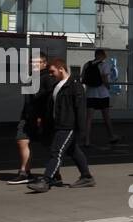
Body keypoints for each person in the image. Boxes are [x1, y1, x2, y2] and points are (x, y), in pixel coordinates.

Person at [28, 58, 95, 191]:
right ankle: (86, 177)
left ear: (61, 69)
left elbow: (80, 110)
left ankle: (46, 180)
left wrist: (81, 131)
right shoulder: (56, 86)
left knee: (56, 152)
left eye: (52, 71)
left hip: (67, 126)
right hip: (57, 125)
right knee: (73, 151)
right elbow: (49, 105)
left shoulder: (75, 86)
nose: (50, 74)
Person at [7, 53, 60, 186]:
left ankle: (55, 174)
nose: (33, 65)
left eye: (36, 62)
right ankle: (24, 173)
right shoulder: (31, 78)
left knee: (49, 146)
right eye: (31, 62)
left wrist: (42, 117)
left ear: (44, 64)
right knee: (21, 140)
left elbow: (51, 99)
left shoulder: (48, 78)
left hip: (41, 118)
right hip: (27, 117)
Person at [81, 48, 122, 148]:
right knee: (106, 117)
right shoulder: (104, 65)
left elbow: (83, 78)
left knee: (89, 118)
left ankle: (87, 140)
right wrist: (108, 87)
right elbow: (104, 79)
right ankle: (111, 136)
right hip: (103, 94)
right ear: (102, 55)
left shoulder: (87, 65)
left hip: (90, 94)